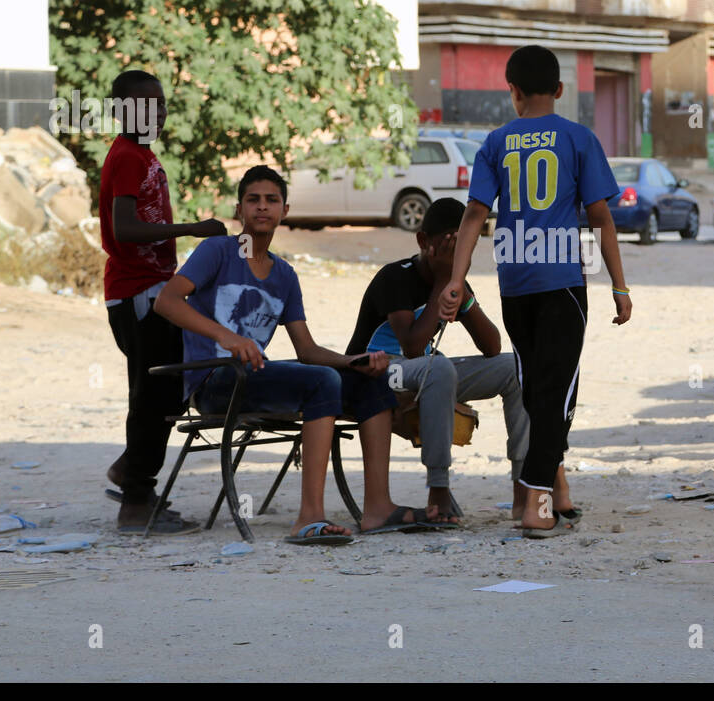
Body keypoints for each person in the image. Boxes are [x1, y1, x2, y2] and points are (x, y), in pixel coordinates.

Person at [153, 165, 446, 542]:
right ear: (239, 209)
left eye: (271, 200)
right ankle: (309, 517)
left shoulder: (284, 274)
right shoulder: (219, 251)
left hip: (256, 376)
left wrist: (353, 362)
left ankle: (378, 509)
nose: (262, 207)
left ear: (284, 211)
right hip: (215, 380)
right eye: (253, 200)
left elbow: (305, 350)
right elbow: (167, 300)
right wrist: (226, 337)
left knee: (368, 384)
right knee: (321, 383)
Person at [440, 45, 632, 537]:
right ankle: (535, 502)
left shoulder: (495, 142)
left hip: (516, 285)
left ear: (513, 90)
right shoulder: (578, 138)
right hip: (562, 282)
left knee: (536, 391)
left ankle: (558, 489)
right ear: (561, 90)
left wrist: (457, 281)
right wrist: (620, 284)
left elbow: (473, 218)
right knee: (559, 393)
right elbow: (601, 218)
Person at [346, 197, 532, 523]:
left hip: (427, 372)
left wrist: (462, 292)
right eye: (447, 246)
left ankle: (522, 488)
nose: (454, 255)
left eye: (463, 247)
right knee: (440, 368)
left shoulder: (455, 278)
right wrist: (443, 282)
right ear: (423, 241)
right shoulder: (396, 277)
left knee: (514, 368)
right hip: (375, 370)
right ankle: (439, 487)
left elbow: (491, 345)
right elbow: (413, 347)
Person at [99, 69, 226, 535]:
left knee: (167, 390)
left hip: (150, 288)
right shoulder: (128, 157)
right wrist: (191, 230)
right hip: (137, 292)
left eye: (161, 103)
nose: (157, 112)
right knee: (153, 395)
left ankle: (134, 476)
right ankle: (135, 502)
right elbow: (125, 229)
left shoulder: (141, 155)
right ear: (122, 111)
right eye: (145, 105)